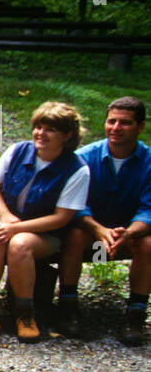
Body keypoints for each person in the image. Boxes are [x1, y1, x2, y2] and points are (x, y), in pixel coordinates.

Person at [0, 101, 90, 342]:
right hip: (3, 216)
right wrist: (6, 218)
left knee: (20, 244)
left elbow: (62, 217)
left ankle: (24, 313)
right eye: (38, 127)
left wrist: (15, 228)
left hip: (44, 231)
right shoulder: (18, 150)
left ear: (67, 135)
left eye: (50, 129)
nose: (41, 133)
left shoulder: (77, 169)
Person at [57, 96, 151, 345]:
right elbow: (73, 204)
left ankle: (135, 313)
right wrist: (99, 230)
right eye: (112, 121)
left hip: (127, 236)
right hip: (92, 234)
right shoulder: (84, 157)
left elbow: (149, 209)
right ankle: (68, 305)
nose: (116, 128)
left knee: (148, 243)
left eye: (125, 123)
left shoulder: (149, 162)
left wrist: (128, 233)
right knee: (74, 235)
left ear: (140, 127)